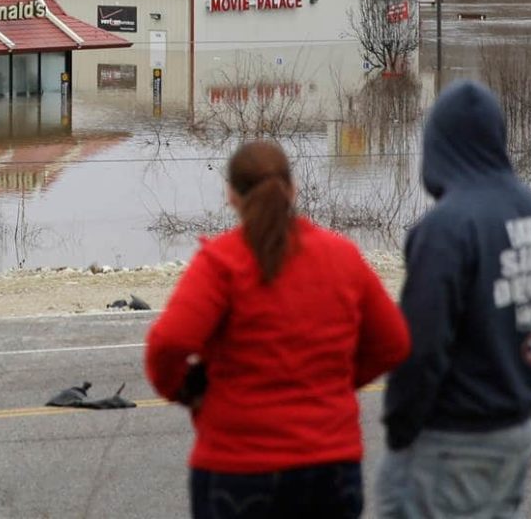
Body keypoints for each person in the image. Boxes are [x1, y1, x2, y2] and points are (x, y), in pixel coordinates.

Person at [145, 139, 411, 519]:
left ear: (231, 196)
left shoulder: (221, 263)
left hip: (238, 467)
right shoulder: (341, 256)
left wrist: (185, 390)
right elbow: (393, 343)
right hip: (330, 466)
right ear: (293, 188)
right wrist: (337, 381)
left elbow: (168, 342)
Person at [379, 80, 531, 519]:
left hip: (450, 439)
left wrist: (400, 428)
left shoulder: (446, 229)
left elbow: (421, 346)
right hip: (513, 433)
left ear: (439, 146)